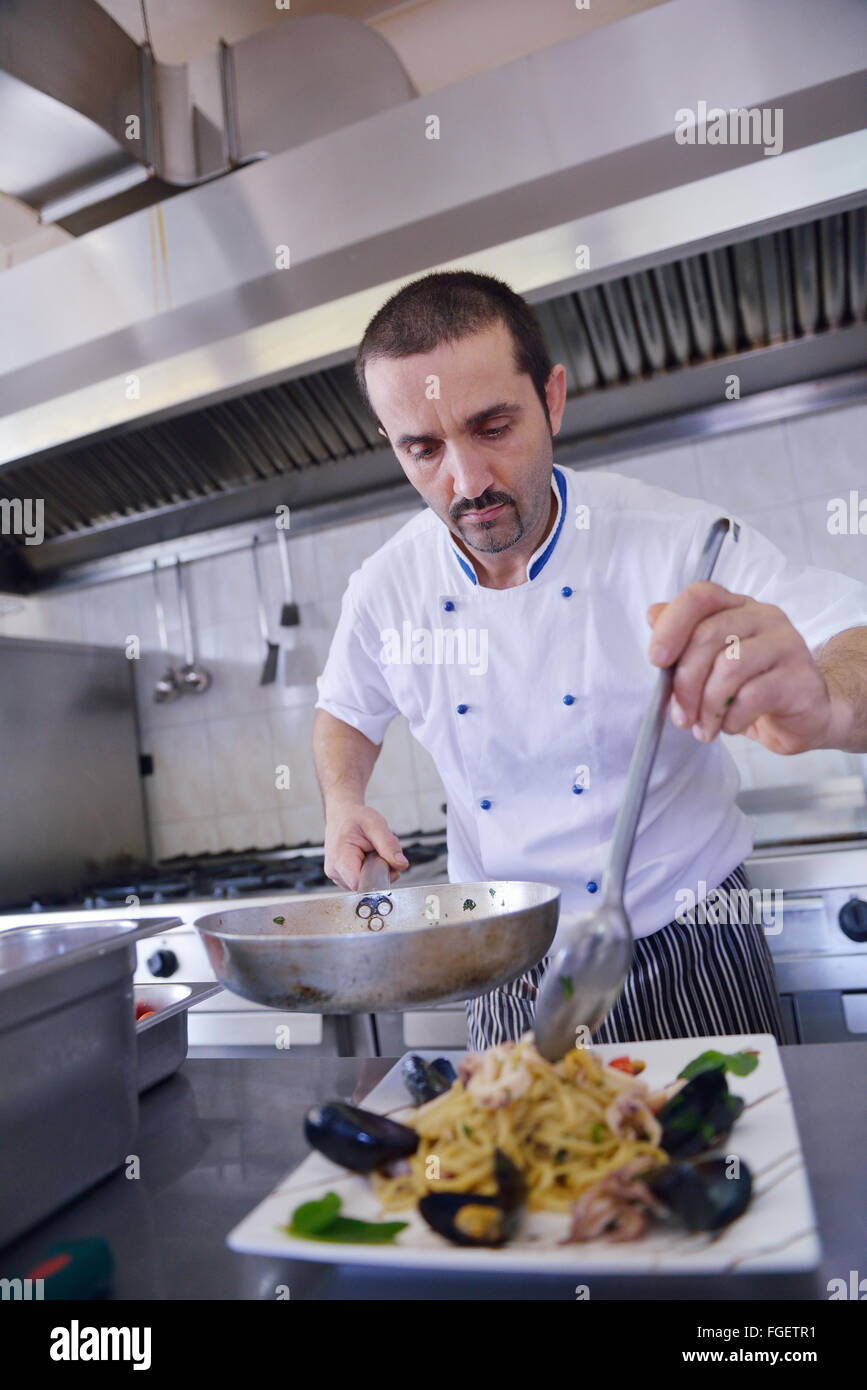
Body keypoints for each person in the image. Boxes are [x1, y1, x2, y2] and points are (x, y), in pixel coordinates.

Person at [313, 269, 867, 1050]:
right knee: (513, 1166)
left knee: (712, 1161)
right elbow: (344, 707)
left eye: (493, 427)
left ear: (552, 399)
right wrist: (344, 800)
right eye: (424, 448)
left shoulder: (677, 541)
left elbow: (853, 639)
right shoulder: (384, 589)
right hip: (502, 956)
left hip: (689, 942)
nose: (466, 482)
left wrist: (825, 700)